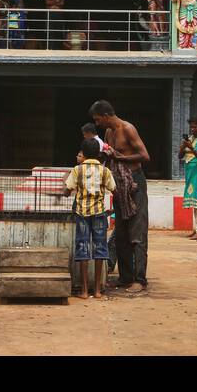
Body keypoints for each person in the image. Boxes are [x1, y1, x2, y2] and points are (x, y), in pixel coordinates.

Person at [90, 99, 150, 293]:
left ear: (107, 116)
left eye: (98, 120)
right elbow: (108, 156)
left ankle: (140, 279)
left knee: (137, 232)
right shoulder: (108, 132)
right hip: (118, 183)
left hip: (134, 182)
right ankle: (125, 277)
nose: (97, 124)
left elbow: (144, 156)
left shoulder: (128, 129)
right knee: (121, 232)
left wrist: (122, 158)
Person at [67, 136, 116, 300]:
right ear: (98, 153)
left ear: (84, 154)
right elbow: (113, 188)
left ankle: (84, 290)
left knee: (83, 248)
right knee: (100, 249)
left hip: (82, 213)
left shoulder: (77, 170)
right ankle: (97, 290)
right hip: (99, 213)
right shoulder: (105, 171)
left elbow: (68, 189)